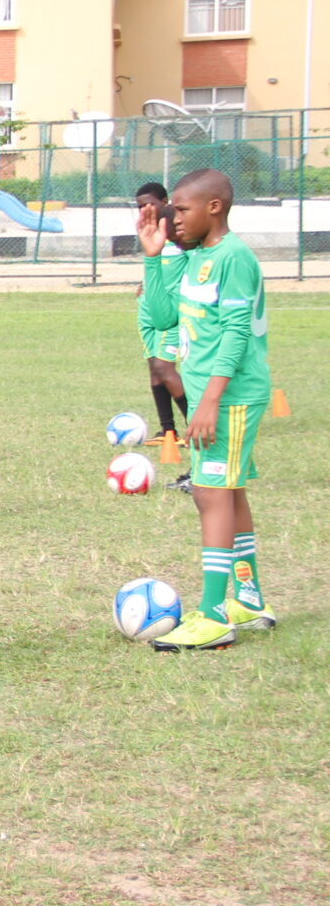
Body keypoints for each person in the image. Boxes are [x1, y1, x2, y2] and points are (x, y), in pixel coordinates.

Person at [135, 168, 276, 652]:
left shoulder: (233, 257)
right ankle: (250, 599)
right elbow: (159, 317)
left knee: (210, 495)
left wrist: (209, 402)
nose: (172, 217)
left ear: (215, 207)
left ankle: (215, 614)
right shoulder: (194, 258)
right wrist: (154, 260)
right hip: (209, 398)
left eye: (183, 208)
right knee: (227, 493)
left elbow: (237, 334)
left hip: (231, 398)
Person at [134, 182, 192, 492]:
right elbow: (156, 266)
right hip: (152, 310)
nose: (144, 209)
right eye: (139, 205)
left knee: (166, 369)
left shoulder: (180, 234)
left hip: (172, 314)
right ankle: (168, 430)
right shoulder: (150, 232)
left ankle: (193, 430)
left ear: (164, 201)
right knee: (154, 368)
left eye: (149, 203)